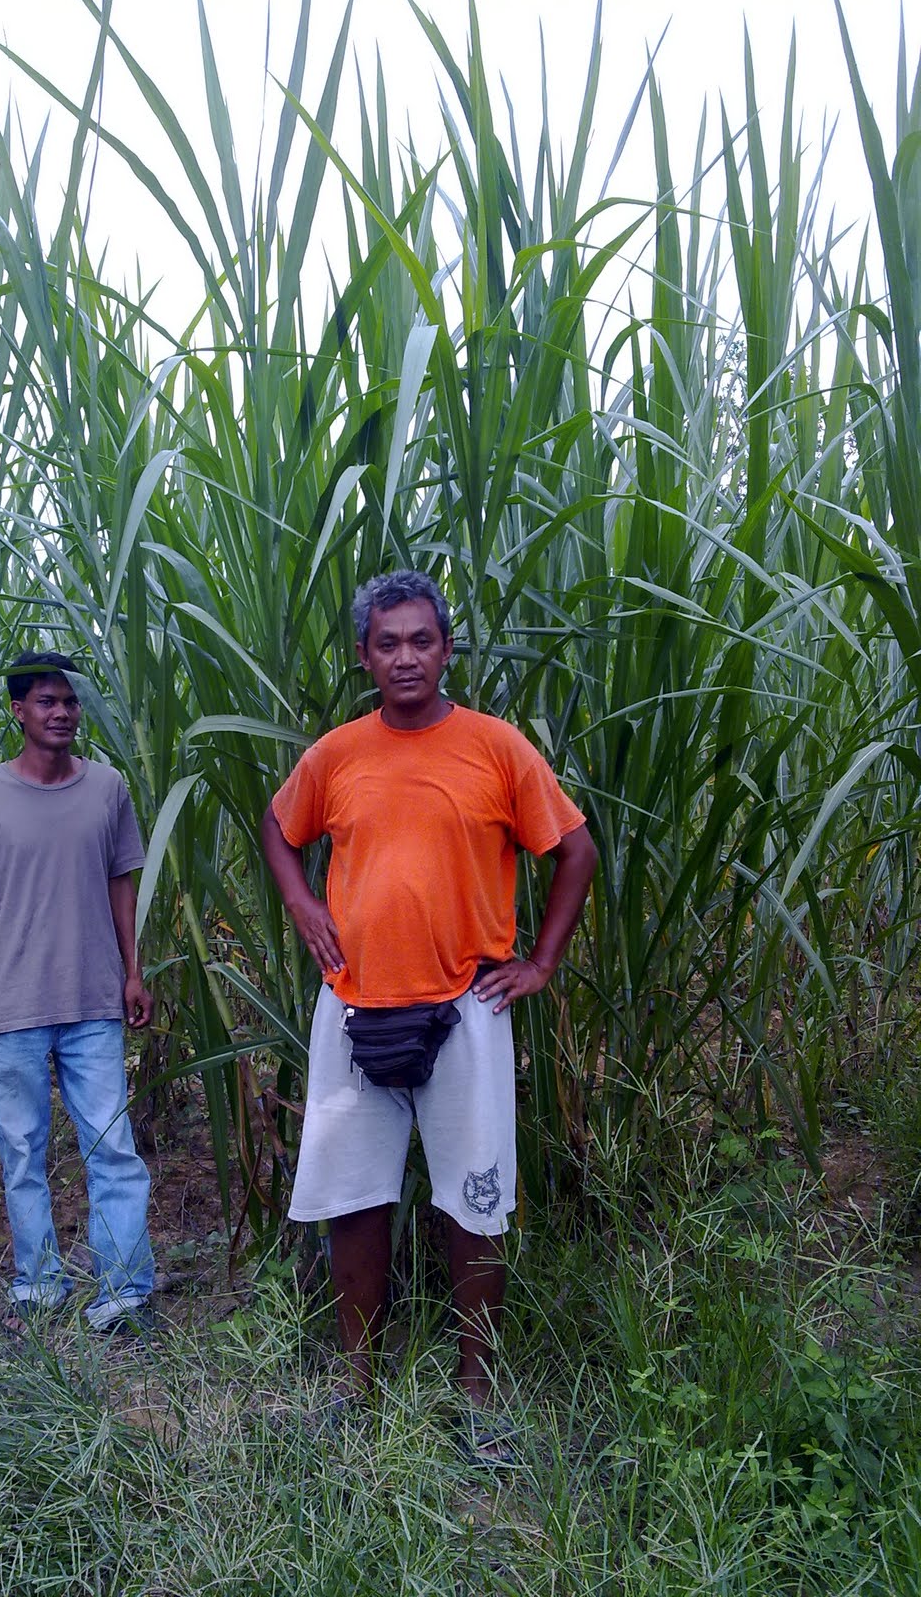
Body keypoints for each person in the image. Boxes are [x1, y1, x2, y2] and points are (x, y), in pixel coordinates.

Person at [261, 571, 597, 1443]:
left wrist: (542, 963)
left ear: (447, 650)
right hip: (353, 1007)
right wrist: (302, 903)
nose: (405, 657)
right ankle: (354, 1386)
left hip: (467, 1008)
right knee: (354, 1200)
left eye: (421, 640)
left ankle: (476, 1394)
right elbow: (279, 825)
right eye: (387, 643)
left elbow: (576, 850)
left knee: (474, 1200)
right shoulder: (335, 754)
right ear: (364, 656)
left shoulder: (496, 748)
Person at [0, 650, 156, 1336]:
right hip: (10, 1008)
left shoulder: (108, 789)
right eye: (45, 701)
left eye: (69, 701)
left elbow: (122, 882)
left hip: (94, 1003)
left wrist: (133, 971)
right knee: (22, 1154)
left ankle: (123, 1293)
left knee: (112, 1148)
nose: (61, 713)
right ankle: (40, 1286)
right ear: (17, 711)